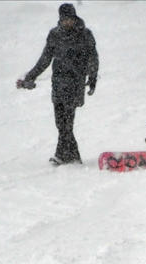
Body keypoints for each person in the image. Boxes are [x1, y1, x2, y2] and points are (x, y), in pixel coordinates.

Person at [17, 3, 99, 165]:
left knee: (67, 123)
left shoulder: (85, 35)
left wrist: (93, 77)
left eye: (69, 19)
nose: (67, 22)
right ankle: (71, 156)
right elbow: (45, 59)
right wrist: (30, 77)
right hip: (58, 84)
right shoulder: (54, 35)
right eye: (64, 19)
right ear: (60, 19)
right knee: (60, 123)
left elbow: (93, 57)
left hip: (75, 84)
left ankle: (65, 156)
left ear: (74, 18)